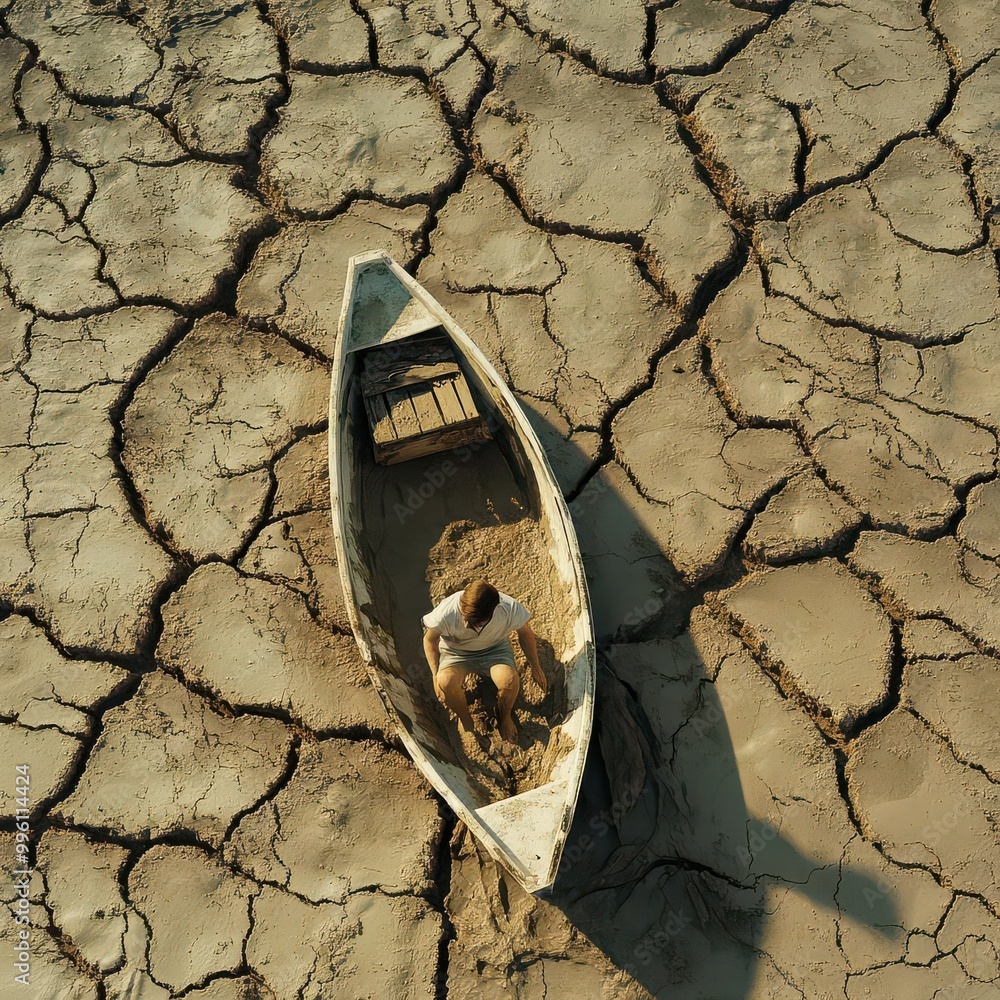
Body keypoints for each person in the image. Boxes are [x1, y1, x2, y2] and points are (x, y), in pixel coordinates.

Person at [422, 578, 547, 744]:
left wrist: (535, 667)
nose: (466, 625)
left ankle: (505, 718)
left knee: (510, 680)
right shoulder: (447, 610)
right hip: (456, 653)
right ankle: (466, 721)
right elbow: (430, 640)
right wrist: (434, 674)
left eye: (474, 622)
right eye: (465, 618)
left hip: (494, 651)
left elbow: (525, 633)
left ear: (493, 612)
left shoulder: (508, 608)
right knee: (445, 681)